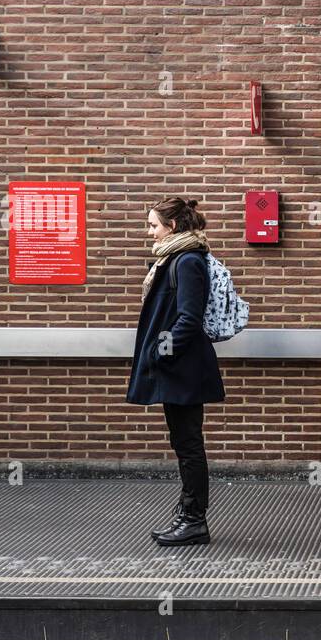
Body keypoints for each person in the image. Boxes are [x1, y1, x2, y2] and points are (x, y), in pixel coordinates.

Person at [126, 197, 225, 545]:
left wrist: (160, 352)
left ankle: (194, 520)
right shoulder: (176, 258)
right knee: (185, 443)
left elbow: (188, 318)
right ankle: (188, 514)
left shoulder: (186, 261)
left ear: (172, 227)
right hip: (180, 368)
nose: (149, 231)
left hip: (183, 369)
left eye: (153, 225)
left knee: (189, 444)